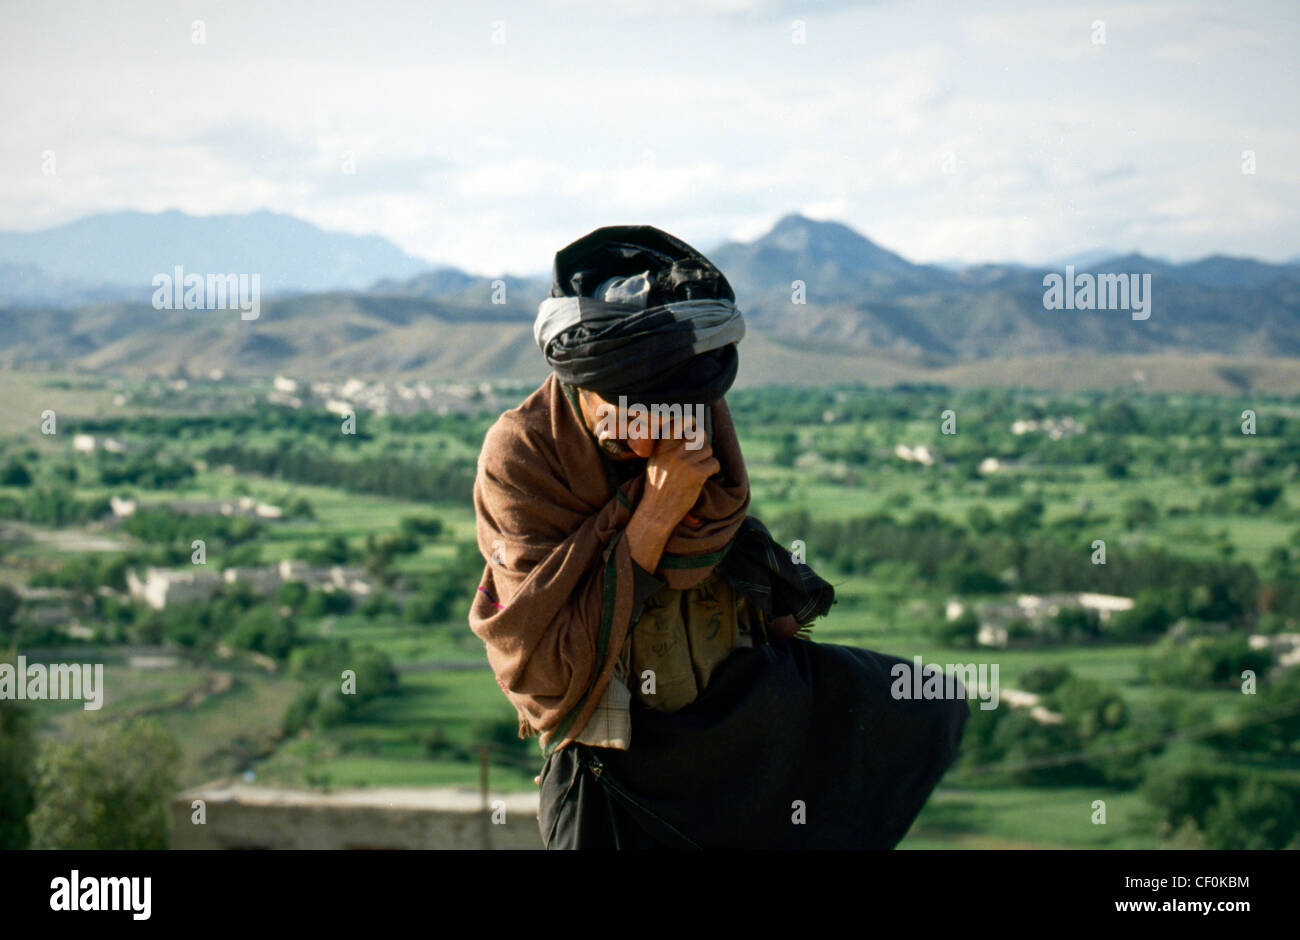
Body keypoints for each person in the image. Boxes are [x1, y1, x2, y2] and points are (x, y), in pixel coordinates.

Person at [469, 224, 968, 849]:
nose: (668, 433)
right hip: (620, 756)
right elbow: (543, 662)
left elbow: (722, 534)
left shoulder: (693, 411)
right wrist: (651, 513)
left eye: (680, 412)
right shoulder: (523, 454)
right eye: (641, 414)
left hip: (737, 720)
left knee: (926, 705)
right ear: (588, 391)